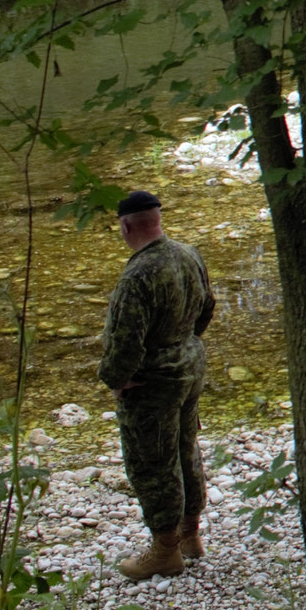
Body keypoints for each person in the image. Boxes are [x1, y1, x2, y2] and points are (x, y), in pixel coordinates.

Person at [99, 190, 215, 581]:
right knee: (186, 447)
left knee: (152, 461)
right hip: (189, 365)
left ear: (127, 225)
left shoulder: (137, 275)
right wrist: (183, 342)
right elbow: (207, 308)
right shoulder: (188, 254)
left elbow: (125, 341)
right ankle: (190, 536)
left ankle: (165, 550)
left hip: (153, 380)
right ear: (158, 220)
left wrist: (115, 379)